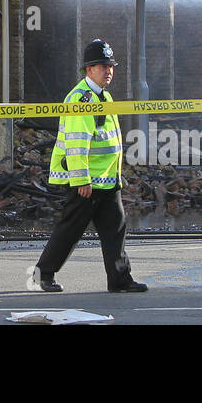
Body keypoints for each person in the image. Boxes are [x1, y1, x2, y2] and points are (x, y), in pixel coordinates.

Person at [33, 39, 147, 294]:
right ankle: (43, 274)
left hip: (105, 180)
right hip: (87, 182)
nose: (108, 70)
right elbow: (76, 143)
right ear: (88, 70)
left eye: (110, 66)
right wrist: (81, 179)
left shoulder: (103, 96)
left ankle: (120, 279)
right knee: (70, 230)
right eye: (101, 66)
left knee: (115, 227)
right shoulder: (81, 100)